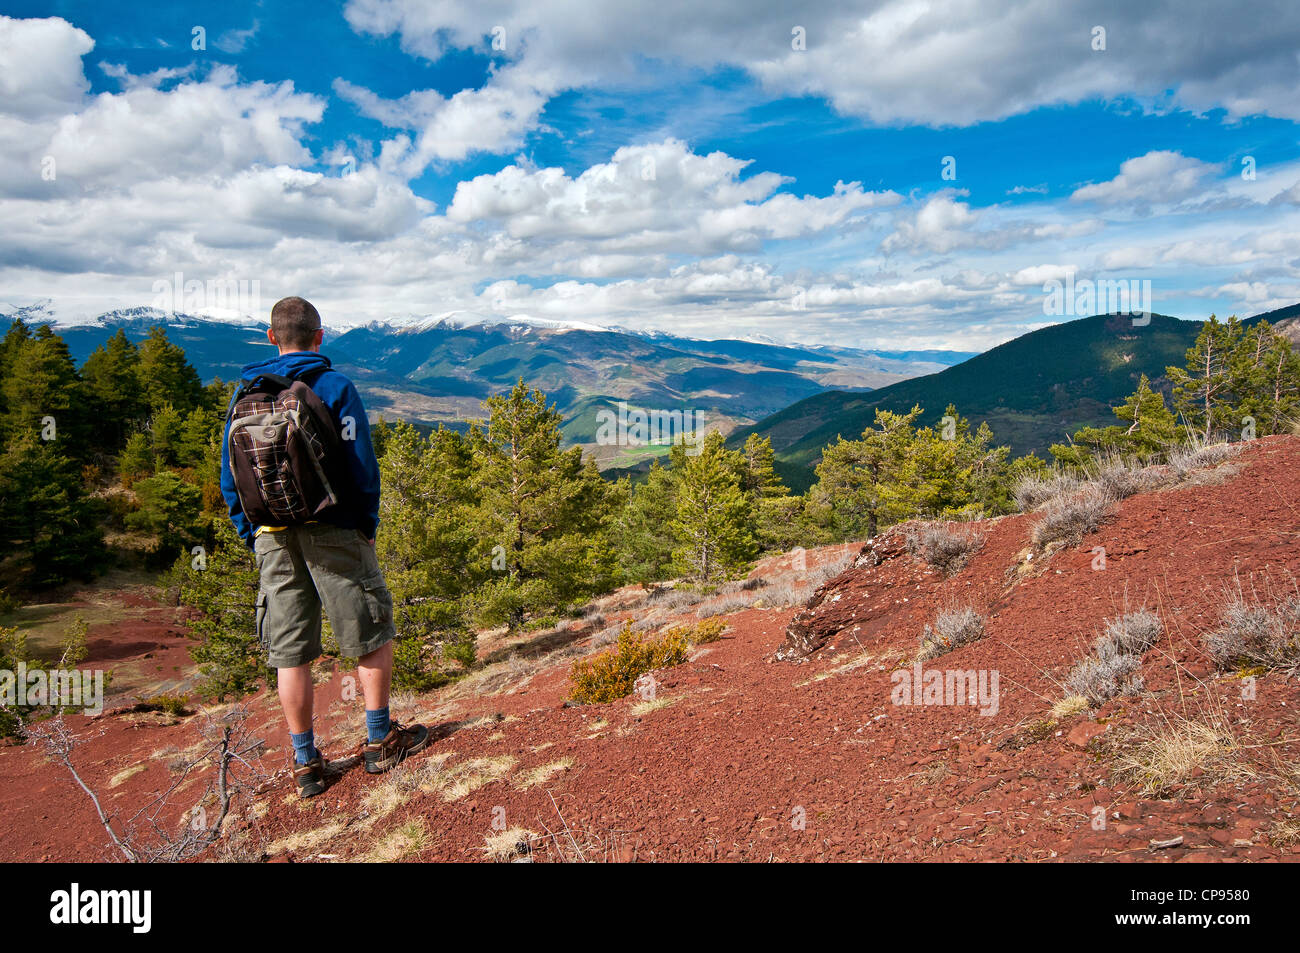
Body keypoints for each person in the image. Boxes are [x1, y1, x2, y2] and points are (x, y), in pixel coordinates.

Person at [220, 296, 428, 798]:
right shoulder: (333, 386)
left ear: (271, 337)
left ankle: (305, 763)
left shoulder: (245, 393)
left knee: (290, 652)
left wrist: (251, 533)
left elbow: (230, 474)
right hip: (334, 527)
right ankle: (380, 741)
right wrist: (366, 522)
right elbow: (361, 464)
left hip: (272, 535)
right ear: (320, 336)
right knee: (369, 631)